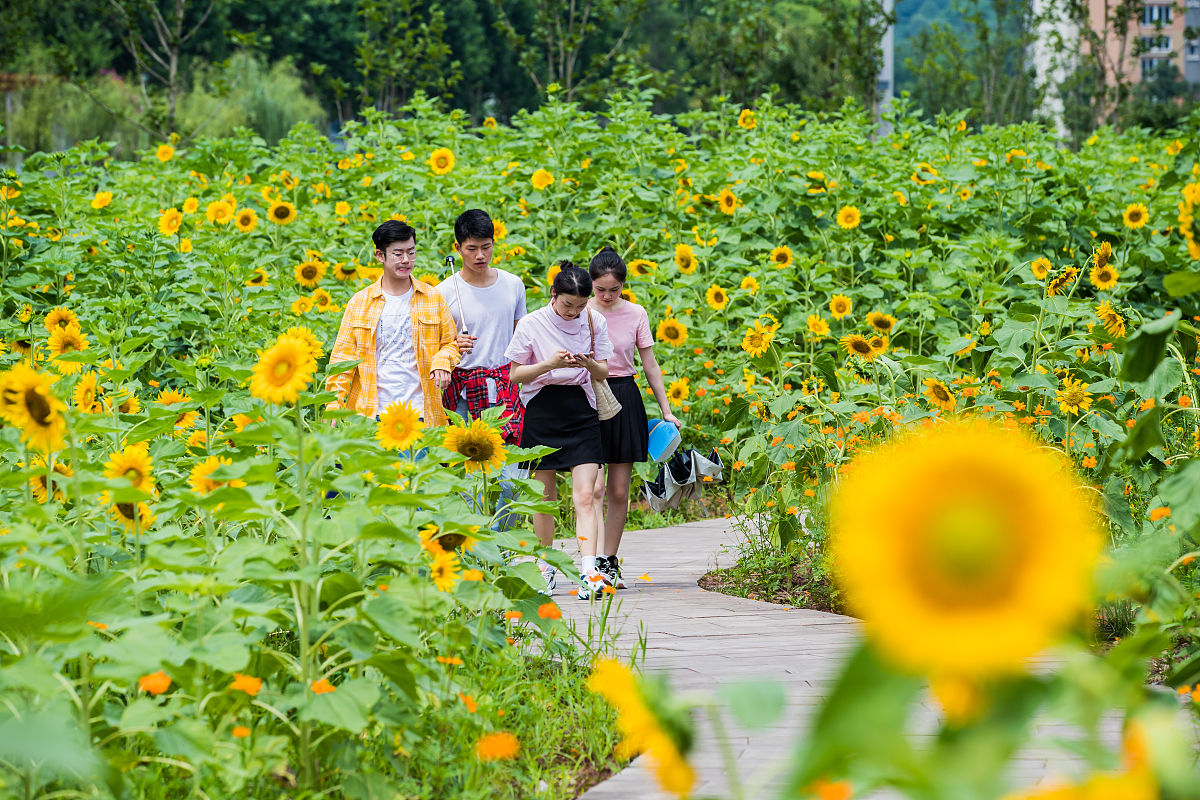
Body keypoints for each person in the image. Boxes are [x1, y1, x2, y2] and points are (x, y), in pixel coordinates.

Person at [506, 264, 612, 599]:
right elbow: (515, 375)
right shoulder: (531, 323)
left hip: (581, 409)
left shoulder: (594, 320)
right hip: (542, 409)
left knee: (586, 495)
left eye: (580, 305)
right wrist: (550, 364)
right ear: (553, 294)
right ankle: (545, 567)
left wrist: (588, 363)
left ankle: (589, 572)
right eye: (568, 304)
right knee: (544, 497)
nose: (573, 312)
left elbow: (604, 370)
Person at [587, 247, 681, 589]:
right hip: (589, 395)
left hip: (625, 396)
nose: (607, 296)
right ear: (591, 284)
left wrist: (666, 410)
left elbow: (649, 364)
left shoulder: (636, 313)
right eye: (601, 289)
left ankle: (609, 561)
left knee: (618, 490)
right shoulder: (580, 310)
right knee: (594, 488)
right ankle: (591, 564)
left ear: (623, 286)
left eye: (614, 289)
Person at [437, 209, 527, 529]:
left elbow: (521, 338)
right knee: (467, 482)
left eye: (486, 247)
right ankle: (473, 546)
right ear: (458, 248)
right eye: (472, 248)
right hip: (462, 391)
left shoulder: (513, 285)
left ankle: (499, 543)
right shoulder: (444, 292)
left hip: (503, 385)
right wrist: (452, 343)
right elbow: (435, 345)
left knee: (512, 481)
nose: (480, 255)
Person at [326, 220, 460, 426]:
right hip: (371, 415)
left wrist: (442, 361)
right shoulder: (360, 303)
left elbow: (451, 343)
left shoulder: (433, 298)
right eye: (398, 254)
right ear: (380, 255)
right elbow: (342, 360)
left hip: (420, 413)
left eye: (411, 253)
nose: (406, 260)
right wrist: (334, 405)